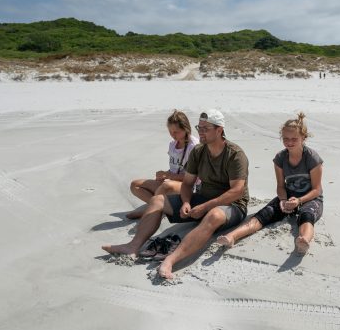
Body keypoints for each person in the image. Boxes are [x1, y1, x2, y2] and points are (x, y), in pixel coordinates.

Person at [103, 109, 250, 279]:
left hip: (232, 206)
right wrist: (186, 202)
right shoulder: (199, 151)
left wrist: (206, 206)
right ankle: (133, 246)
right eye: (199, 127)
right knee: (158, 200)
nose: (200, 132)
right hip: (202, 199)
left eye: (205, 129)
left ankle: (171, 260)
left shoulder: (235, 154)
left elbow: (237, 191)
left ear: (219, 130)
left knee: (214, 215)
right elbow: (187, 183)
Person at [217, 112, 323, 255]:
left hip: (310, 198)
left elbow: (317, 189)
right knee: (264, 214)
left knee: (306, 216)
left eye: (294, 139)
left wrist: (299, 200)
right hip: (288, 197)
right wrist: (284, 200)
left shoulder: (312, 158)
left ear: (303, 138)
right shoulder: (280, 158)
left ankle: (303, 240)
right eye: (286, 139)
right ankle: (232, 237)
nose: (289, 142)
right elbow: (280, 186)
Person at [126, 110, 200, 219]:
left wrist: (169, 176)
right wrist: (164, 174)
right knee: (135, 185)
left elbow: (196, 178)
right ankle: (159, 206)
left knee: (166, 186)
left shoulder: (193, 146)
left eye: (176, 132)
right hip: (173, 183)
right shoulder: (173, 144)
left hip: (188, 188)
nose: (173, 135)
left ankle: (149, 210)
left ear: (185, 129)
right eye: (170, 131)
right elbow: (175, 169)